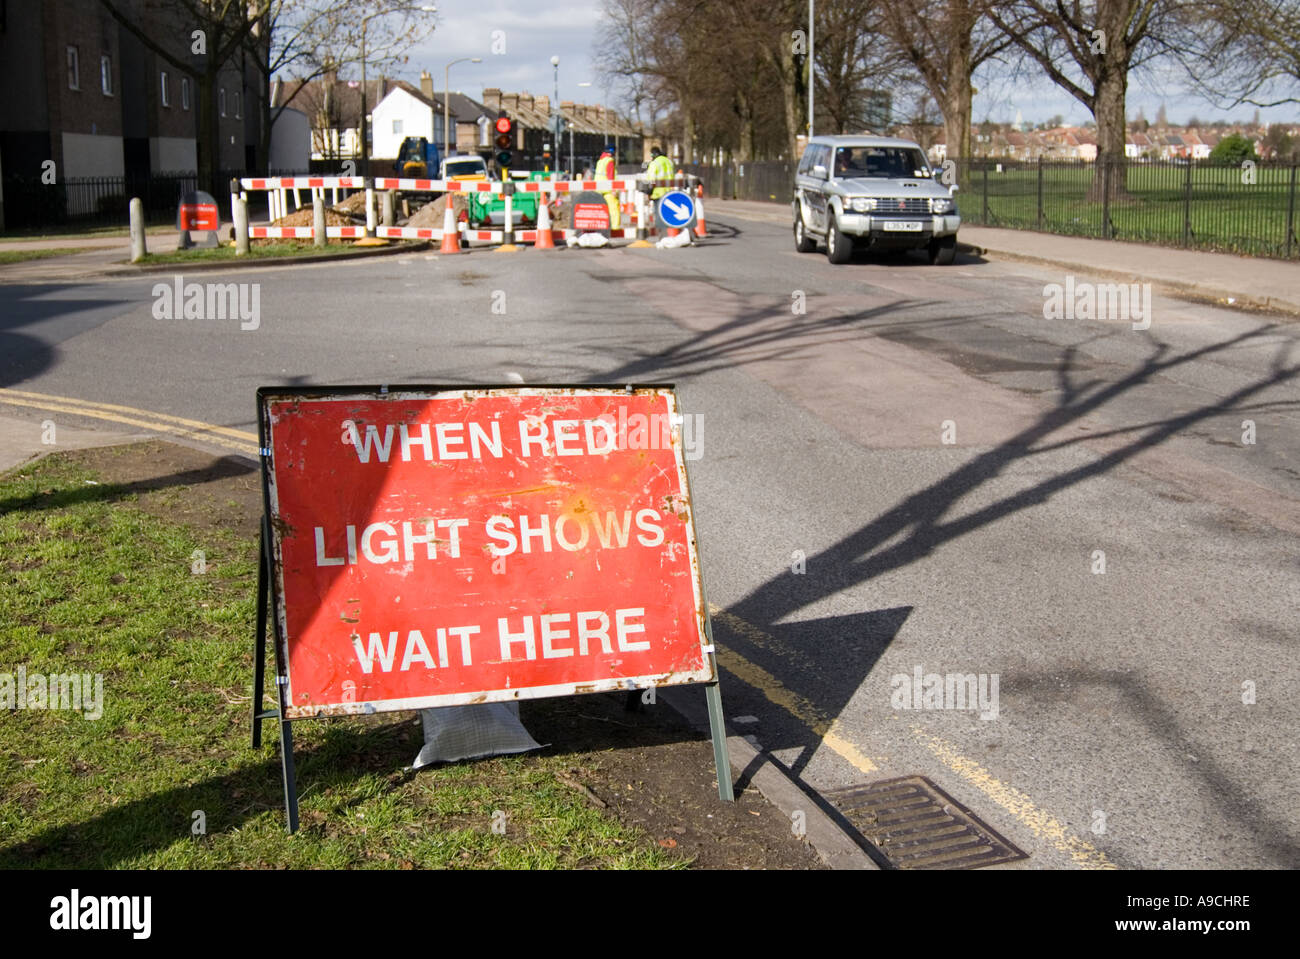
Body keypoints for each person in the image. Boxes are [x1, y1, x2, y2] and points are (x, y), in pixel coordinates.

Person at [596, 144, 620, 229]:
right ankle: (615, 228)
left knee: (602, 210)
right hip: (608, 189)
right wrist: (613, 189)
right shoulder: (609, 161)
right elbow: (610, 176)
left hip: (599, 189)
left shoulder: (600, 161)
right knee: (614, 209)